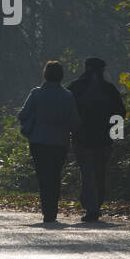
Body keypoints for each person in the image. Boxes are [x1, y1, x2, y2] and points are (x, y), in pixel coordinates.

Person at [17, 60, 81, 223]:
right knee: (55, 175)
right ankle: (52, 210)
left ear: (45, 74)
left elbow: (22, 115)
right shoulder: (67, 95)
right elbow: (74, 121)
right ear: (61, 76)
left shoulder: (36, 94)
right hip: (60, 142)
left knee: (43, 175)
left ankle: (47, 209)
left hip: (38, 141)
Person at [67, 57, 126, 223]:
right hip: (103, 139)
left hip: (82, 138)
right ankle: (95, 205)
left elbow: (67, 110)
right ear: (102, 70)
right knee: (100, 173)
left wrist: (69, 130)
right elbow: (120, 112)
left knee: (86, 173)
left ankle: (90, 206)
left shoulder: (75, 87)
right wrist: (116, 136)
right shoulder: (109, 89)